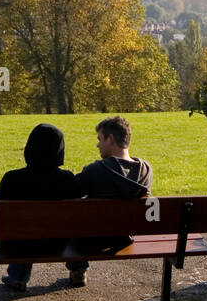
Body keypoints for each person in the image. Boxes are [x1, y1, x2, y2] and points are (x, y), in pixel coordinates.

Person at [64, 115, 153, 285]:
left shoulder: (96, 170)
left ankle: (78, 269)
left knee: (74, 219)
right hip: (125, 236)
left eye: (100, 139)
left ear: (110, 139)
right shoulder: (146, 170)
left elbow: (71, 191)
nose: (98, 144)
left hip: (93, 239)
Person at [0, 123, 80, 293]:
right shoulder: (68, 179)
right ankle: (78, 270)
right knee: (76, 228)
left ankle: (18, 277)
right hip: (59, 242)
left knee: (21, 232)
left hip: (21, 244)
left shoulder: (12, 179)